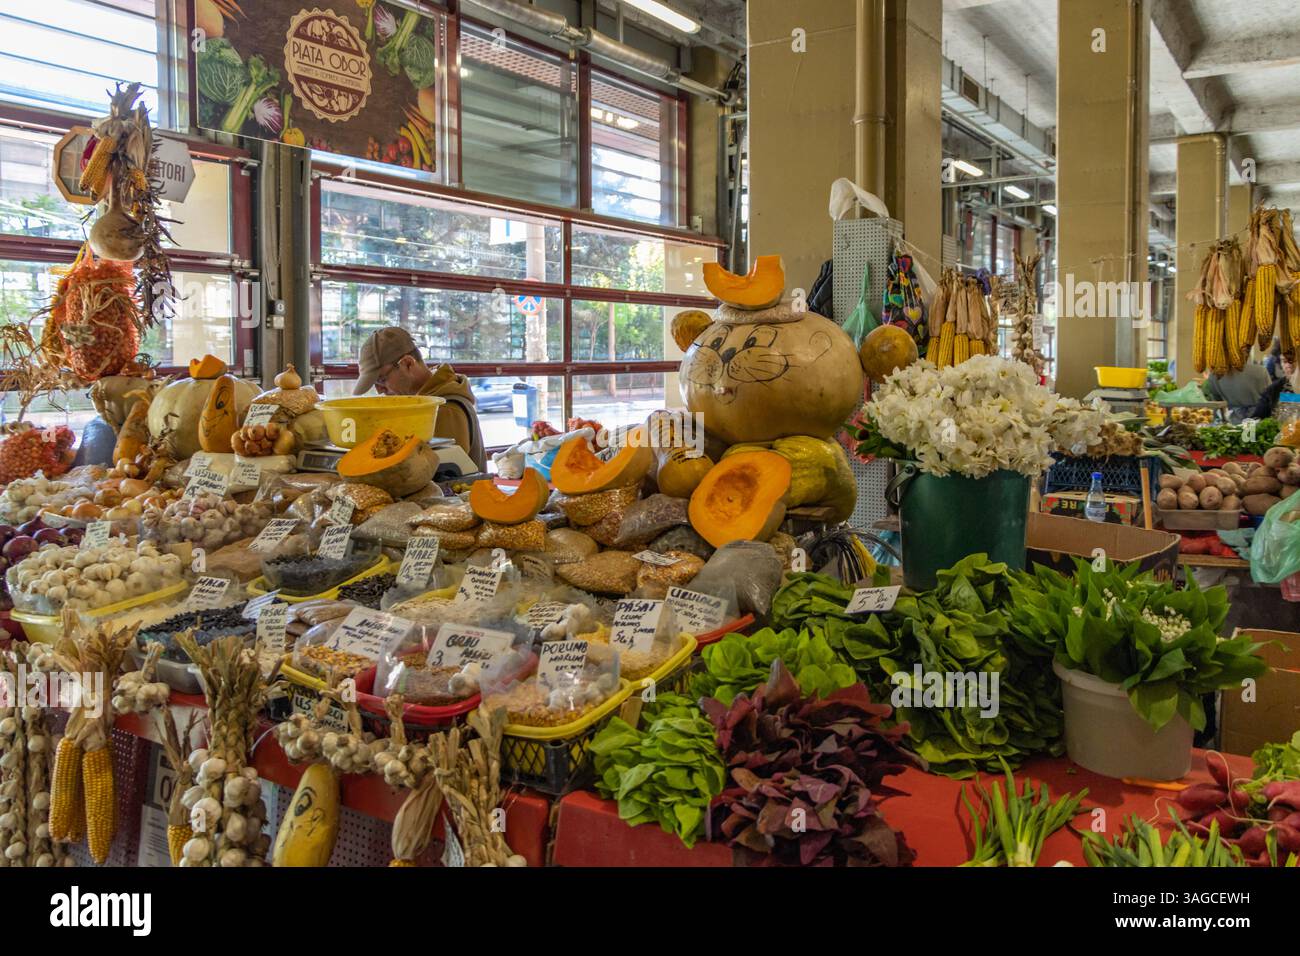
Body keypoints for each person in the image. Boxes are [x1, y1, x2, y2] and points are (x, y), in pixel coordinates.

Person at [353, 327, 486, 472]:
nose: (380, 391)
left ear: (408, 364)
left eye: (382, 380)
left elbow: (440, 476)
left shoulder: (443, 410)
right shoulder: (422, 404)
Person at [1202, 361, 1272, 422]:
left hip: (1233, 423)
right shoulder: (1260, 371)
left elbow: (1218, 404)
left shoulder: (1214, 375)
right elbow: (1273, 398)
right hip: (1259, 421)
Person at [1248, 353, 1298, 420]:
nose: (1289, 365)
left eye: (1293, 361)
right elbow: (1257, 417)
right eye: (1284, 361)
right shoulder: (1274, 389)